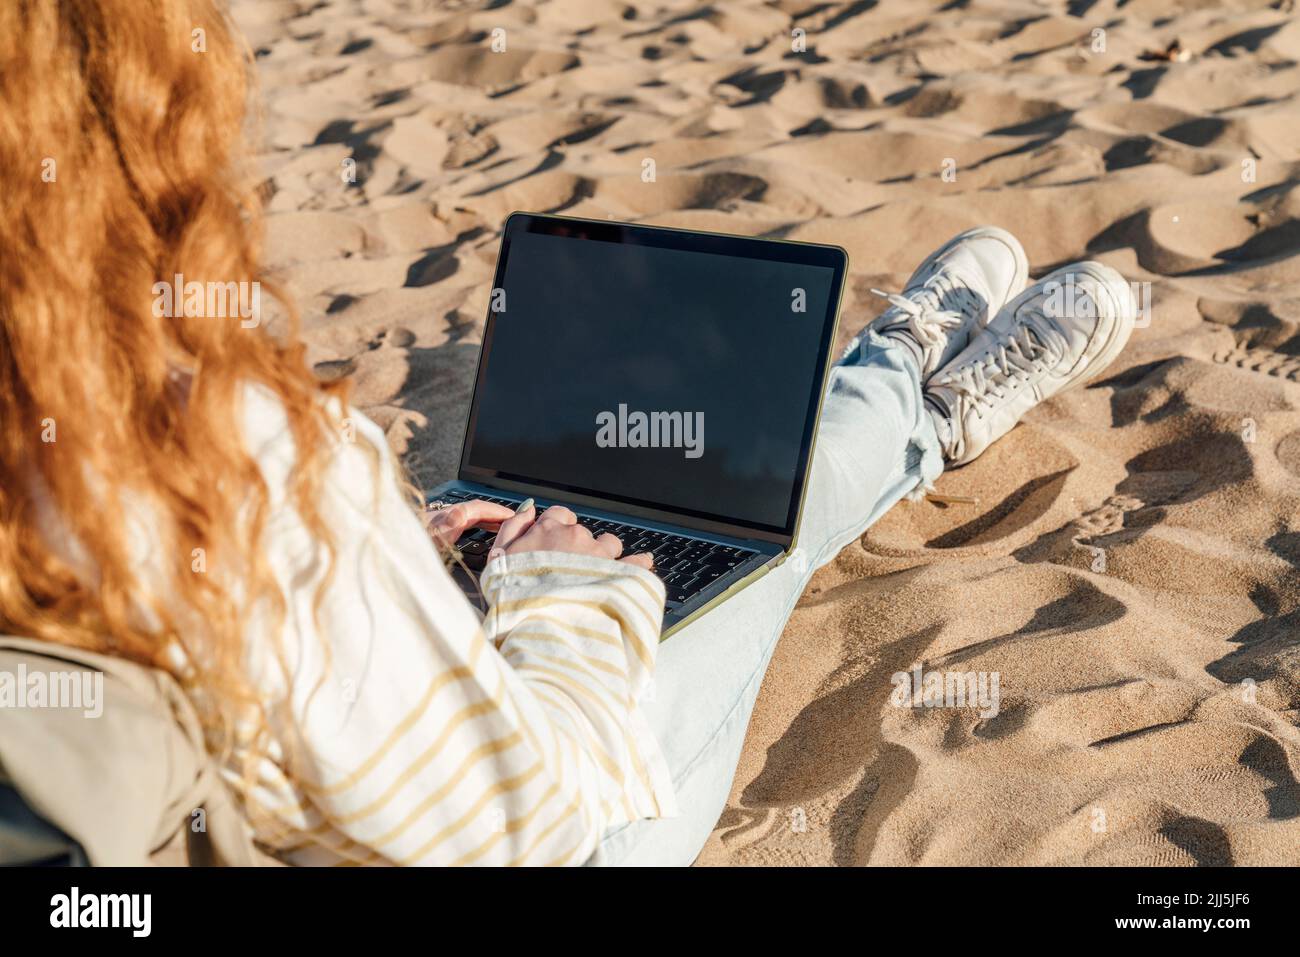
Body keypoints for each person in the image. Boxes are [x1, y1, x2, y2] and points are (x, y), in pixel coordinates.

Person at [0, 1, 1136, 866]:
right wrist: (565, 601)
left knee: (661, 515)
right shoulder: (209, 453)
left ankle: (906, 387)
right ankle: (913, 396)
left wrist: (404, 550)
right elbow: (532, 827)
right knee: (750, 542)